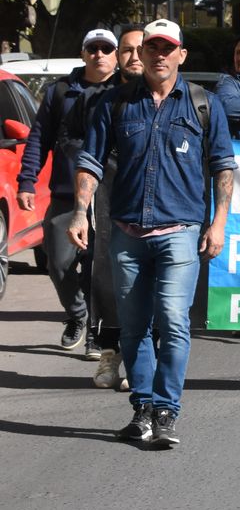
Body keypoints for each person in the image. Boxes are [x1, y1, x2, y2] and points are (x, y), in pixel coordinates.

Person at [69, 19, 237, 447]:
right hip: (126, 231)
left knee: (173, 321)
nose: (160, 55)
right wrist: (79, 212)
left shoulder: (204, 103)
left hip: (180, 231)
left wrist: (219, 223)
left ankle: (166, 411)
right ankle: (142, 409)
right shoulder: (117, 103)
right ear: (140, 54)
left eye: (168, 48)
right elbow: (90, 159)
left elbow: (223, 166)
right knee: (132, 327)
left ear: (181, 55)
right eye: (152, 47)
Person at [17, 29, 120, 356]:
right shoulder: (60, 91)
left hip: (109, 198)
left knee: (98, 270)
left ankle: (95, 332)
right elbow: (38, 139)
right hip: (66, 195)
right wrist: (27, 181)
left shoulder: (126, 92)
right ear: (83, 53)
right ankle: (78, 314)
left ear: (116, 56)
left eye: (107, 49)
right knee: (58, 264)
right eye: (93, 48)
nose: (99, 54)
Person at [89, 27, 145, 391]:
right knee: (109, 279)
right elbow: (82, 149)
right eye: (127, 50)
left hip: (162, 211)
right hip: (112, 202)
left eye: (143, 49)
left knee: (151, 285)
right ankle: (109, 352)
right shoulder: (103, 102)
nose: (136, 57)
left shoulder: (180, 99)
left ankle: (140, 361)